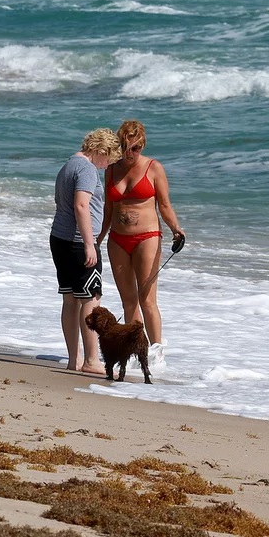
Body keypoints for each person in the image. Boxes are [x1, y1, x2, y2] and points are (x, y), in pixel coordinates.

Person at [100, 119, 187, 364]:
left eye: (135, 148)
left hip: (147, 238)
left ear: (143, 145)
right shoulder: (111, 169)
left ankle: (157, 354)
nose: (130, 153)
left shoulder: (153, 168)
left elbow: (165, 205)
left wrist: (175, 229)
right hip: (117, 240)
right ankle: (137, 351)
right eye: (125, 147)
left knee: (147, 299)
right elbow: (108, 209)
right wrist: (97, 238)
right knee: (129, 301)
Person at [50, 128, 121, 374]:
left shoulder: (68, 165)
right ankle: (91, 361)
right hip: (79, 243)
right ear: (101, 150)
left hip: (59, 238)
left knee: (70, 300)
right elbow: (81, 205)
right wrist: (91, 244)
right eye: (108, 160)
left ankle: (74, 360)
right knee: (90, 299)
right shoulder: (87, 169)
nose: (105, 166)